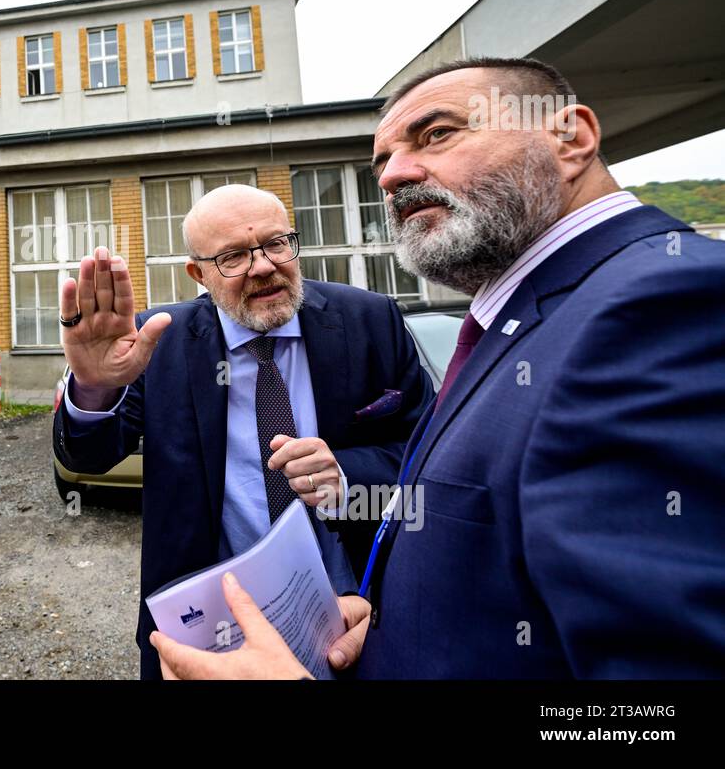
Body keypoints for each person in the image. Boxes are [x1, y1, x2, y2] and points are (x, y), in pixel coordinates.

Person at [154, 57, 725, 679]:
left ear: (571, 139)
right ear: (200, 274)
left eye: (437, 134)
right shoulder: (526, 312)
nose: (395, 175)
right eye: (383, 162)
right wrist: (392, 618)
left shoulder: (662, 306)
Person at [53, 184, 432, 679]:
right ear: (199, 274)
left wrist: (346, 476)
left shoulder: (369, 319)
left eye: (276, 244)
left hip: (356, 609)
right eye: (233, 256)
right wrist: (94, 385)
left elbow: (429, 451)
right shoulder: (158, 341)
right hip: (213, 622)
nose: (262, 266)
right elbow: (88, 457)